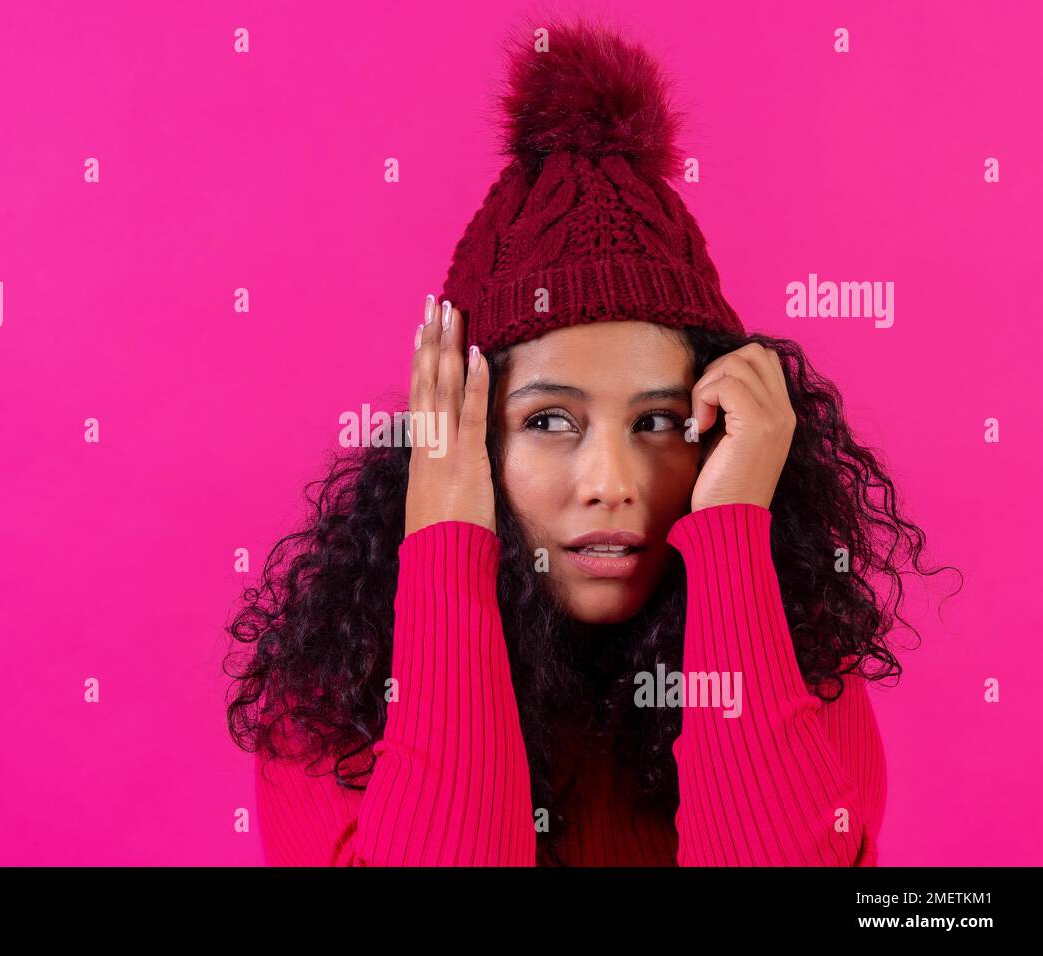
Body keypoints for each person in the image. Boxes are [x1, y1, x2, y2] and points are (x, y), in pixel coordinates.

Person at [224, 14, 954, 866]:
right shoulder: (331, 709)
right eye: (547, 421)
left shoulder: (800, 681)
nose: (612, 482)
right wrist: (447, 541)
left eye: (656, 422)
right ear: (461, 436)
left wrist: (730, 535)